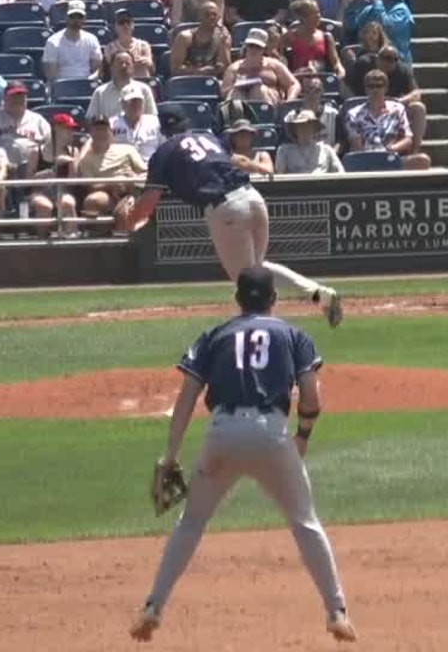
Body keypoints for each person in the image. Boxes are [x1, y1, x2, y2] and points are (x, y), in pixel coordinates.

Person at [126, 266, 356, 644]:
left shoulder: (215, 335)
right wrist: (303, 436)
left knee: (192, 522)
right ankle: (337, 612)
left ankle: (153, 606)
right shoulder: (295, 335)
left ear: (236, 300)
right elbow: (312, 396)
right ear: (274, 300)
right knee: (304, 522)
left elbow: (186, 399)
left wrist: (170, 456)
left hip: (222, 436)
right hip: (272, 436)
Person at [122, 130, 345, 326]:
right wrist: (258, 166)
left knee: (248, 283)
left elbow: (149, 202)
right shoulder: (207, 137)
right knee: (257, 270)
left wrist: (130, 221)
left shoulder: (164, 152)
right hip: (253, 197)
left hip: (226, 208)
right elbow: (236, 159)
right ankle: (319, 295)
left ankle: (261, 331)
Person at [344, 66, 430, 169]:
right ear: (366, 89)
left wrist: (392, 149)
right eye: (371, 86)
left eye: (379, 86)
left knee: (423, 160)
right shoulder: (354, 113)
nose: (375, 90)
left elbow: (408, 139)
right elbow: (356, 145)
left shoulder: (397, 109)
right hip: (365, 159)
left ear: (386, 88)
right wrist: (373, 157)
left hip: (391, 157)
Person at [344, 0, 414, 63]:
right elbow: (351, 26)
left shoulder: (401, 10)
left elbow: (386, 27)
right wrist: (354, 4)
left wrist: (378, 2)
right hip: (369, 59)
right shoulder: (369, 9)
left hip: (394, 60)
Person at [276, 108, 344, 175]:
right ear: (295, 130)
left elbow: (341, 174)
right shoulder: (284, 151)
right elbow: (280, 176)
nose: (305, 130)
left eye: (309, 127)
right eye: (301, 126)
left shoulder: (327, 150)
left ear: (315, 130)